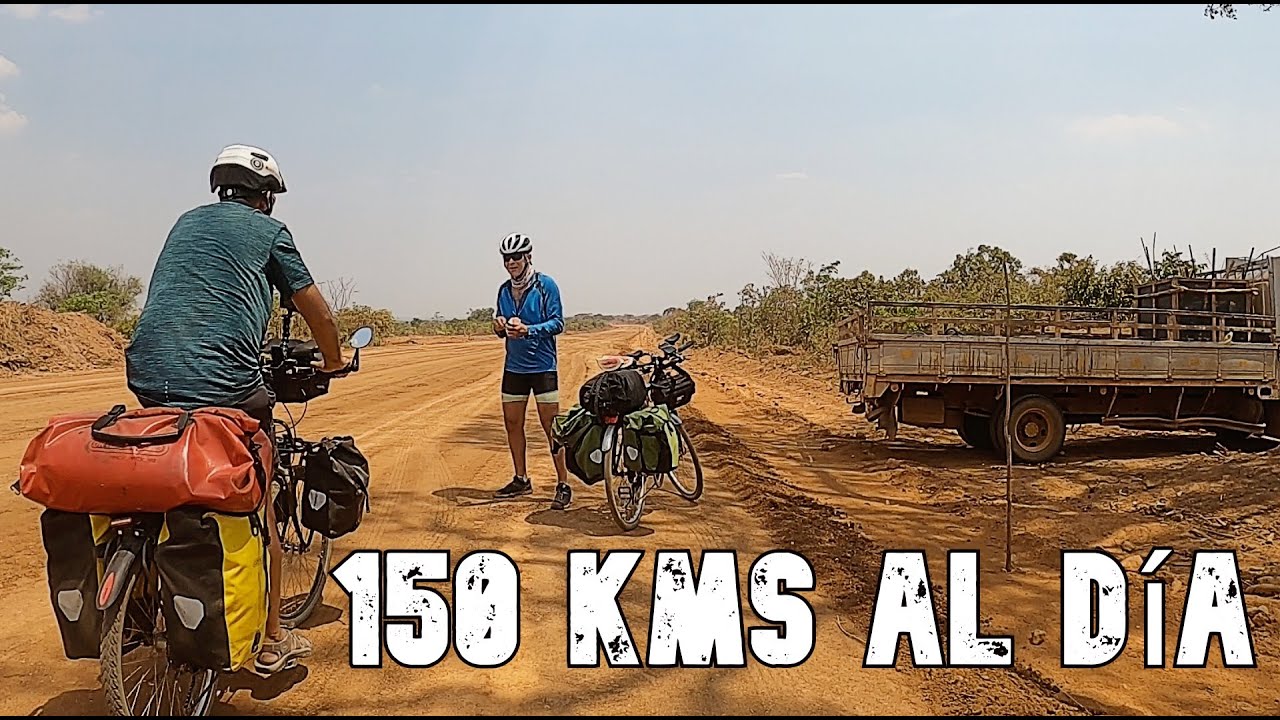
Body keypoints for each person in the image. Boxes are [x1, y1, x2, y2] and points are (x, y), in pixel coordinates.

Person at [124, 143, 346, 675]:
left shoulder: (185, 222)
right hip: (224, 381)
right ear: (266, 198)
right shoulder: (269, 233)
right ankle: (271, 640)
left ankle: (140, 587)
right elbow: (315, 310)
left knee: (164, 463)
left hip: (148, 374)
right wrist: (334, 361)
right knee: (258, 491)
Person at [490, 232, 572, 509]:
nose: (511, 262)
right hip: (514, 368)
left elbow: (558, 323)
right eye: (506, 258)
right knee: (512, 424)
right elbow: (499, 329)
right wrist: (499, 326)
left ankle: (563, 483)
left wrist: (529, 331)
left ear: (528, 257)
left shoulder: (546, 285)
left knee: (552, 428)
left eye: (516, 257)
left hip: (543, 367)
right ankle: (521, 478)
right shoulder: (503, 290)